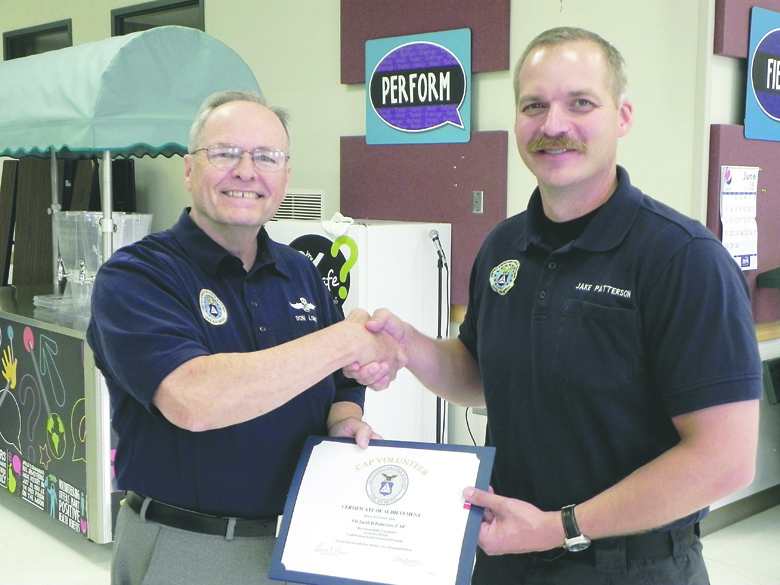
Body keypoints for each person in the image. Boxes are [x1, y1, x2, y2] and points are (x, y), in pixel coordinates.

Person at [347, 27, 762, 584]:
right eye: (534, 106)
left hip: (630, 567)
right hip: (506, 553)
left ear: (623, 117)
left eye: (581, 103)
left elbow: (724, 460)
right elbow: (480, 376)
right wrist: (409, 348)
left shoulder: (682, 258)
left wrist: (559, 527)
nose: (553, 125)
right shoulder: (503, 245)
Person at [86, 90, 404, 585]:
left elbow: (341, 381)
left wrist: (343, 419)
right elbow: (194, 399)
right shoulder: (137, 275)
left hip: (307, 538)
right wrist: (346, 341)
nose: (246, 171)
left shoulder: (301, 272)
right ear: (188, 169)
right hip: (189, 547)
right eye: (225, 153)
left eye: (266, 157)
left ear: (285, 177)